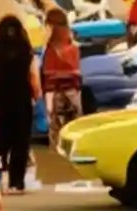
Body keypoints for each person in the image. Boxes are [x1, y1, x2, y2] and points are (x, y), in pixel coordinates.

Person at [0, 15, 41, 194]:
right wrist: (36, 94)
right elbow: (33, 79)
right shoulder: (27, 53)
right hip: (22, 99)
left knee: (1, 141)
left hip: (1, 101)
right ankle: (17, 182)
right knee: (21, 142)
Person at [42, 7, 81, 149]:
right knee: (73, 128)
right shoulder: (73, 47)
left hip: (53, 92)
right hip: (72, 92)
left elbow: (46, 73)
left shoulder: (50, 49)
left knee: (55, 131)